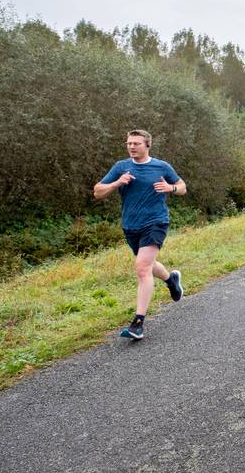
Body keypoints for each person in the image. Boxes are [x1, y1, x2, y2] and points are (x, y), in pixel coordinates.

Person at [93, 130, 186, 340]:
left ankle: (138, 324)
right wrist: (117, 183)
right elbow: (98, 191)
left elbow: (182, 187)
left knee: (142, 267)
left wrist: (170, 187)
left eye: (136, 143)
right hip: (130, 225)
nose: (131, 147)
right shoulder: (121, 167)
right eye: (128, 143)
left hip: (156, 222)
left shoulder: (161, 166)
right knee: (147, 264)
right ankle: (171, 280)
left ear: (147, 145)